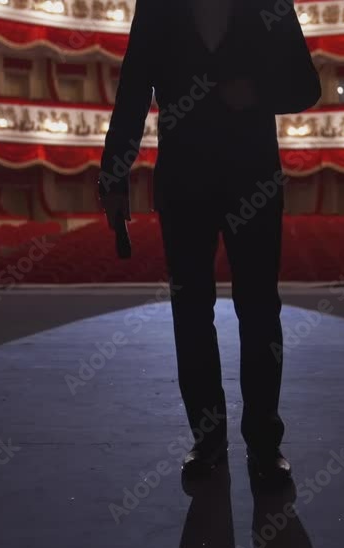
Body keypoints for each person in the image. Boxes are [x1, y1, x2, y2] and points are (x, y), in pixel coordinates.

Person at [97, 0, 320, 482]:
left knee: (260, 312)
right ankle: (208, 440)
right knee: (190, 313)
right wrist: (114, 177)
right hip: (183, 183)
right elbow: (133, 89)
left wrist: (257, 92)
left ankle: (264, 444)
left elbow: (307, 85)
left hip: (254, 181)